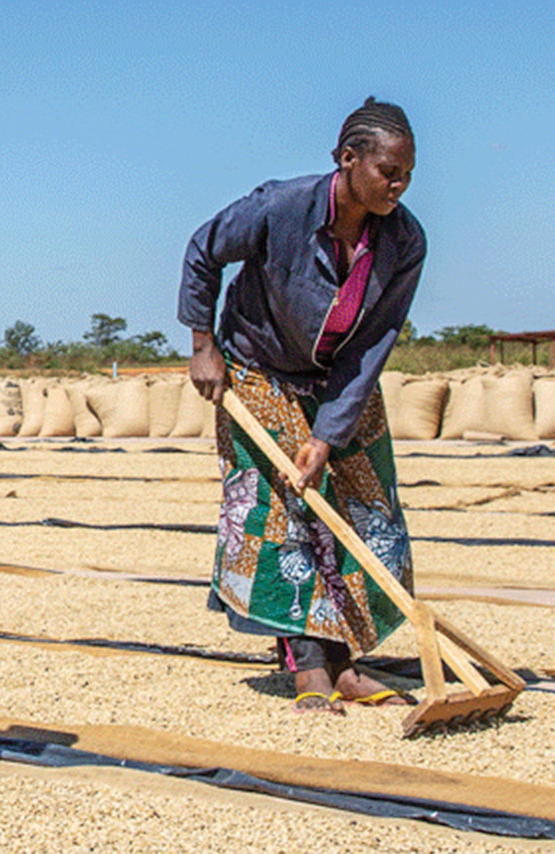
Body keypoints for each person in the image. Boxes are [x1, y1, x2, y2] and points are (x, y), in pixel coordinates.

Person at [178, 98, 425, 714]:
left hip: (339, 378)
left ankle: (347, 661)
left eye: (407, 175)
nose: (398, 185)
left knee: (366, 506)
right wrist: (204, 347)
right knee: (285, 508)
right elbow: (204, 249)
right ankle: (308, 665)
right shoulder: (281, 208)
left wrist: (328, 435)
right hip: (260, 367)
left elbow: (374, 341)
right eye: (388, 172)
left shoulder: (404, 240)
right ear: (348, 159)